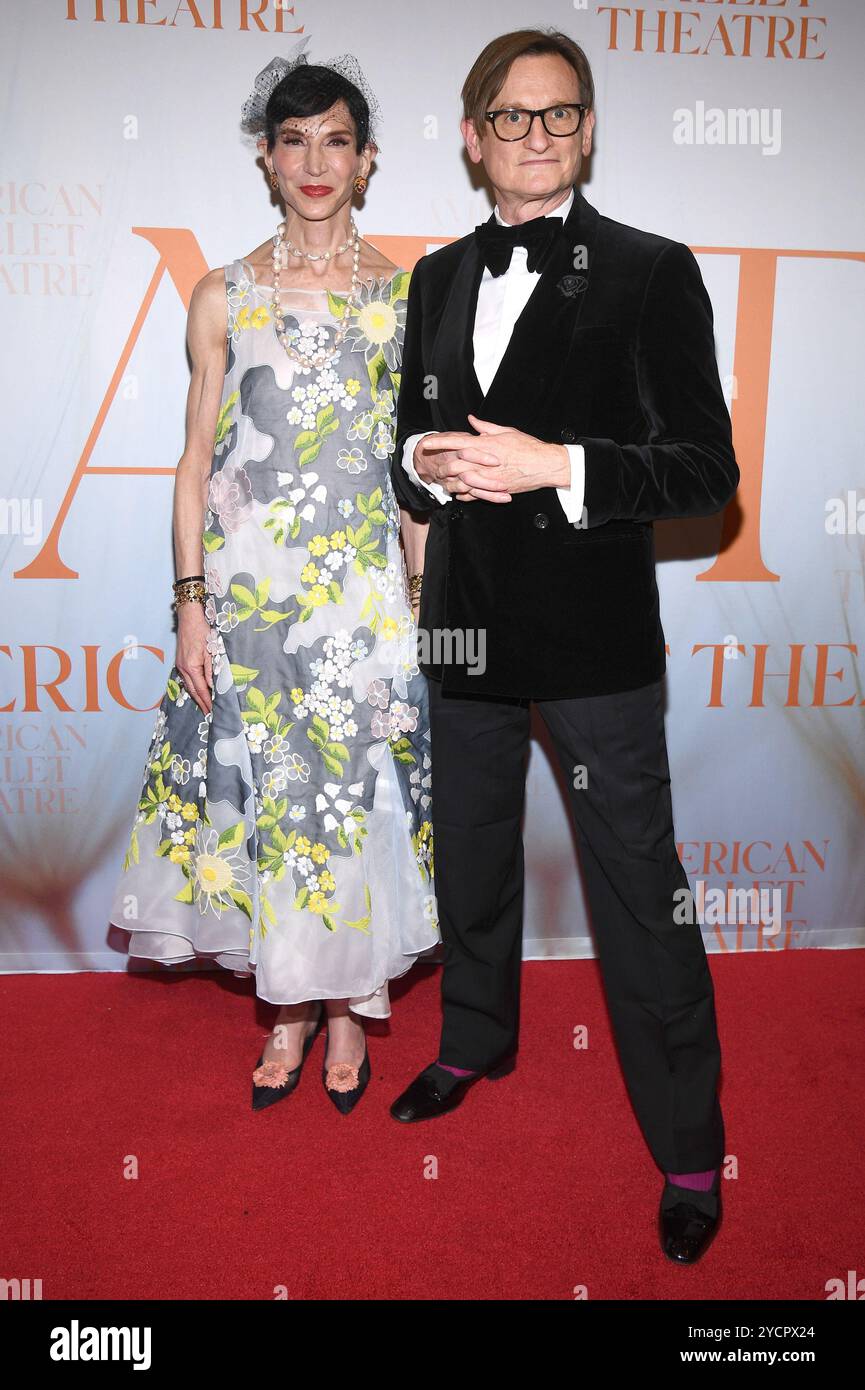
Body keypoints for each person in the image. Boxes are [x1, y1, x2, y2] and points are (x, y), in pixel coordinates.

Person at [389, 26, 739, 1264]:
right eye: (511, 115)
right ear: (474, 135)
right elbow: (412, 438)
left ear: (585, 131)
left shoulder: (650, 269)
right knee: (472, 858)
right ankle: (474, 1037)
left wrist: (560, 465)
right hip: (466, 630)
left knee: (641, 893)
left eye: (560, 114)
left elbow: (707, 471)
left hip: (595, 644)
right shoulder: (431, 277)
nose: (535, 135)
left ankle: (690, 1145)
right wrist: (417, 466)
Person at [109, 42, 438, 1116]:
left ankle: (346, 1007)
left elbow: (412, 472)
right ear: (265, 155)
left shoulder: (402, 298)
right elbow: (195, 463)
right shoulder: (223, 293)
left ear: (367, 159)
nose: (313, 160)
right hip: (251, 601)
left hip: (359, 602)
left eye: (333, 140)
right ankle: (287, 1008)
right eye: (292, 139)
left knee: (349, 802)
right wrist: (191, 608)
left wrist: (422, 601)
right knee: (269, 802)